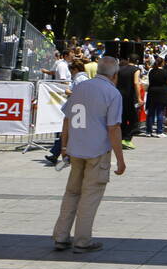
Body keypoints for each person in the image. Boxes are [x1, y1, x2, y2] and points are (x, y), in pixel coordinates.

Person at [52, 56, 127, 253]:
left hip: (76, 149)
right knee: (90, 196)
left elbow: (67, 119)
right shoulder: (112, 93)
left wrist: (64, 146)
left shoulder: (80, 87)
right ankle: (82, 240)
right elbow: (113, 128)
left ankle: (61, 236)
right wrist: (120, 159)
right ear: (115, 75)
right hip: (98, 151)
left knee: (72, 193)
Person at [116, 57, 142, 148]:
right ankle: (127, 139)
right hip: (130, 97)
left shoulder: (120, 69)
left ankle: (121, 138)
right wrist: (139, 98)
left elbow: (115, 82)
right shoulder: (136, 70)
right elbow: (136, 82)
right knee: (134, 120)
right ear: (137, 61)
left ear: (128, 59)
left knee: (122, 118)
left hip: (120, 96)